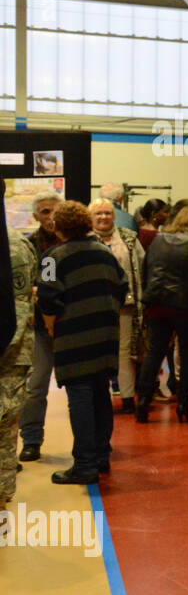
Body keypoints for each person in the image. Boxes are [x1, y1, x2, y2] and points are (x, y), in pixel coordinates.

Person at [36, 201, 126, 484]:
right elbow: (122, 288)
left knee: (81, 398)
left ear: (56, 226)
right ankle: (101, 456)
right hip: (106, 335)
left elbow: (48, 300)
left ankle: (85, 465)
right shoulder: (105, 253)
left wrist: (53, 329)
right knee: (101, 394)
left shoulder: (52, 257)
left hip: (74, 338)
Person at [134, 205, 188, 423]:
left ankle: (143, 402)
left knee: (154, 353)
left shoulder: (158, 240)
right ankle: (186, 405)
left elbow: (146, 270)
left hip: (157, 304)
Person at [89, 199, 145, 415]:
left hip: (125, 306)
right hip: (94, 309)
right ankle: (98, 399)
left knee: (124, 354)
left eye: (107, 213)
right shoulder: (83, 239)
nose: (103, 217)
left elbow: (143, 265)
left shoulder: (129, 239)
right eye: (98, 214)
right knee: (98, 354)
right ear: (90, 217)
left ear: (114, 215)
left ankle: (128, 398)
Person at [18, 190, 63, 463]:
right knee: (36, 386)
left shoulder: (78, 242)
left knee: (82, 387)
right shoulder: (28, 246)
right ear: (36, 216)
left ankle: (89, 445)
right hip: (40, 326)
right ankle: (31, 440)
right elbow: (31, 287)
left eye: (55, 211)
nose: (50, 217)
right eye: (45, 212)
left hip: (73, 326)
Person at [0, 224, 37, 506]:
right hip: (16, 345)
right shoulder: (19, 242)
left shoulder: (16, 244)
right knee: (7, 425)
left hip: (13, 348)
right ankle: (2, 492)